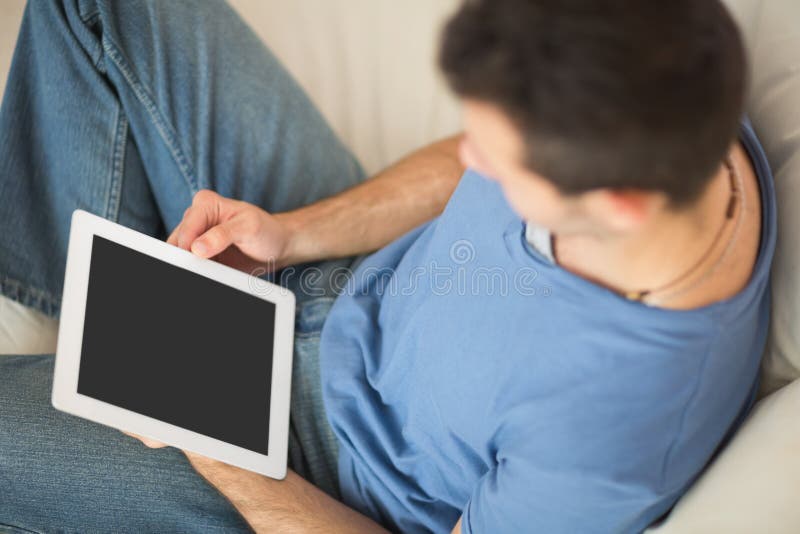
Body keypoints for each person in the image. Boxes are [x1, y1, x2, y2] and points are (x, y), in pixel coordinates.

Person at [0, 0, 776, 532]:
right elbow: (459, 166)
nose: (470, 162)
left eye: (502, 166)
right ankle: (76, 305)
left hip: (308, 460)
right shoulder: (672, 82)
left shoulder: (607, 438)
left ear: (619, 207)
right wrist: (292, 236)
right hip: (354, 274)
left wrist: (215, 449)